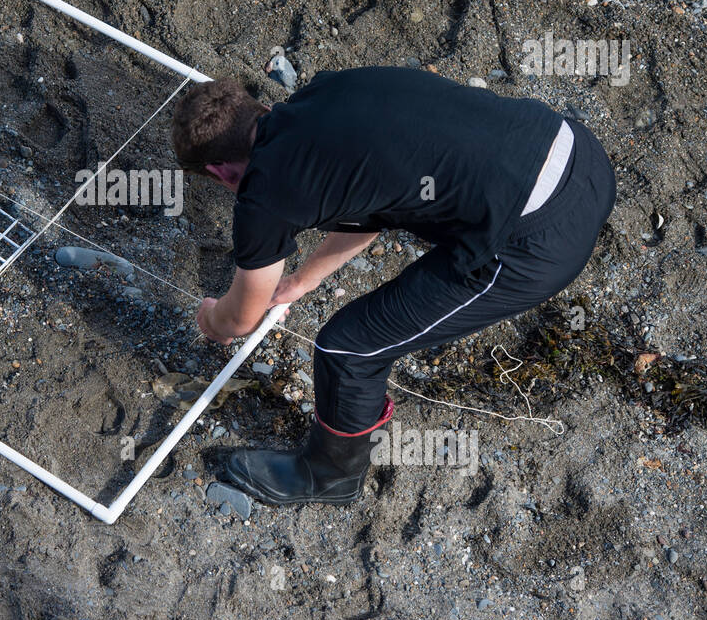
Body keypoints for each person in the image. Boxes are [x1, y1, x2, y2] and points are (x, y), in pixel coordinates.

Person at [170, 67, 616, 506]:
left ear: (222, 173)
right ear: (261, 108)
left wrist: (213, 318)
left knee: (347, 348)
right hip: (579, 152)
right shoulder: (328, 89)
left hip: (541, 240)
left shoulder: (263, 193)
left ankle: (329, 476)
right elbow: (372, 213)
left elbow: (241, 319)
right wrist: (303, 280)